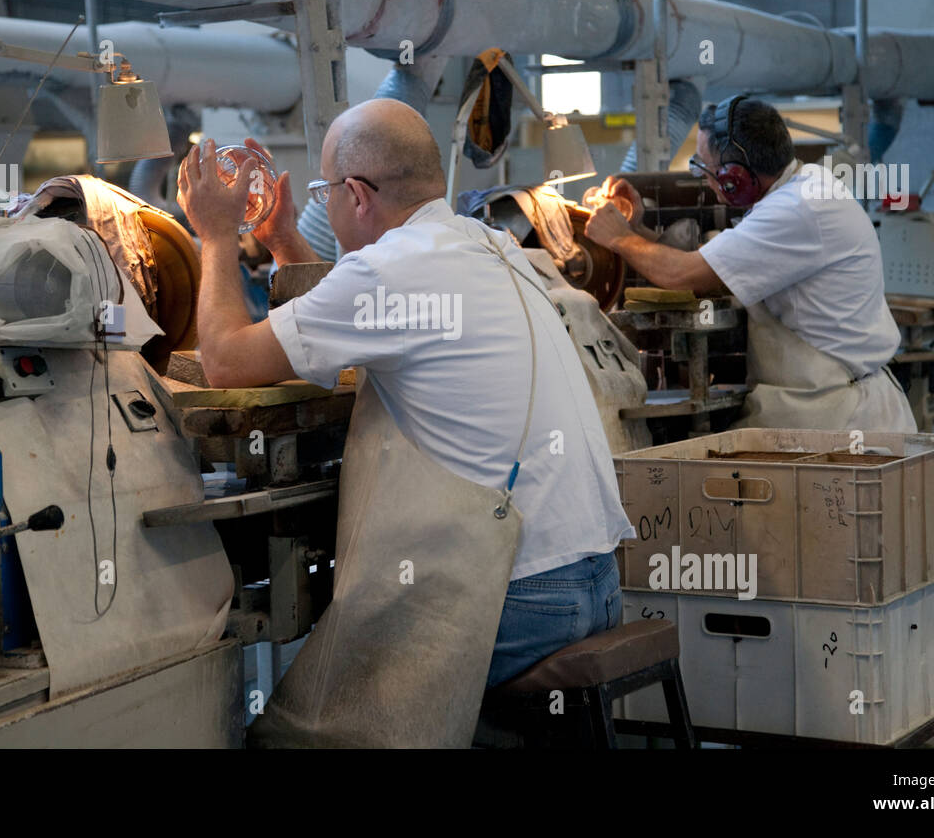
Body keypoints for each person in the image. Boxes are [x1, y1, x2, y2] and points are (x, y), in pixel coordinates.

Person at [175, 99, 633, 743]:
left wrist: (216, 235)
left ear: (356, 195)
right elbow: (347, 315)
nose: (323, 202)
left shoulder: (390, 272)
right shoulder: (486, 243)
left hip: (517, 601)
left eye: (323, 191)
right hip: (595, 579)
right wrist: (281, 241)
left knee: (303, 727)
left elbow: (223, 362)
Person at [584, 95, 917, 434]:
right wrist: (634, 228)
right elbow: (712, 267)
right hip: (829, 398)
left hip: (837, 416)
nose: (705, 178)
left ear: (735, 178)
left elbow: (683, 273)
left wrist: (618, 239)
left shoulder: (795, 210)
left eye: (704, 166)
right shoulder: (804, 185)